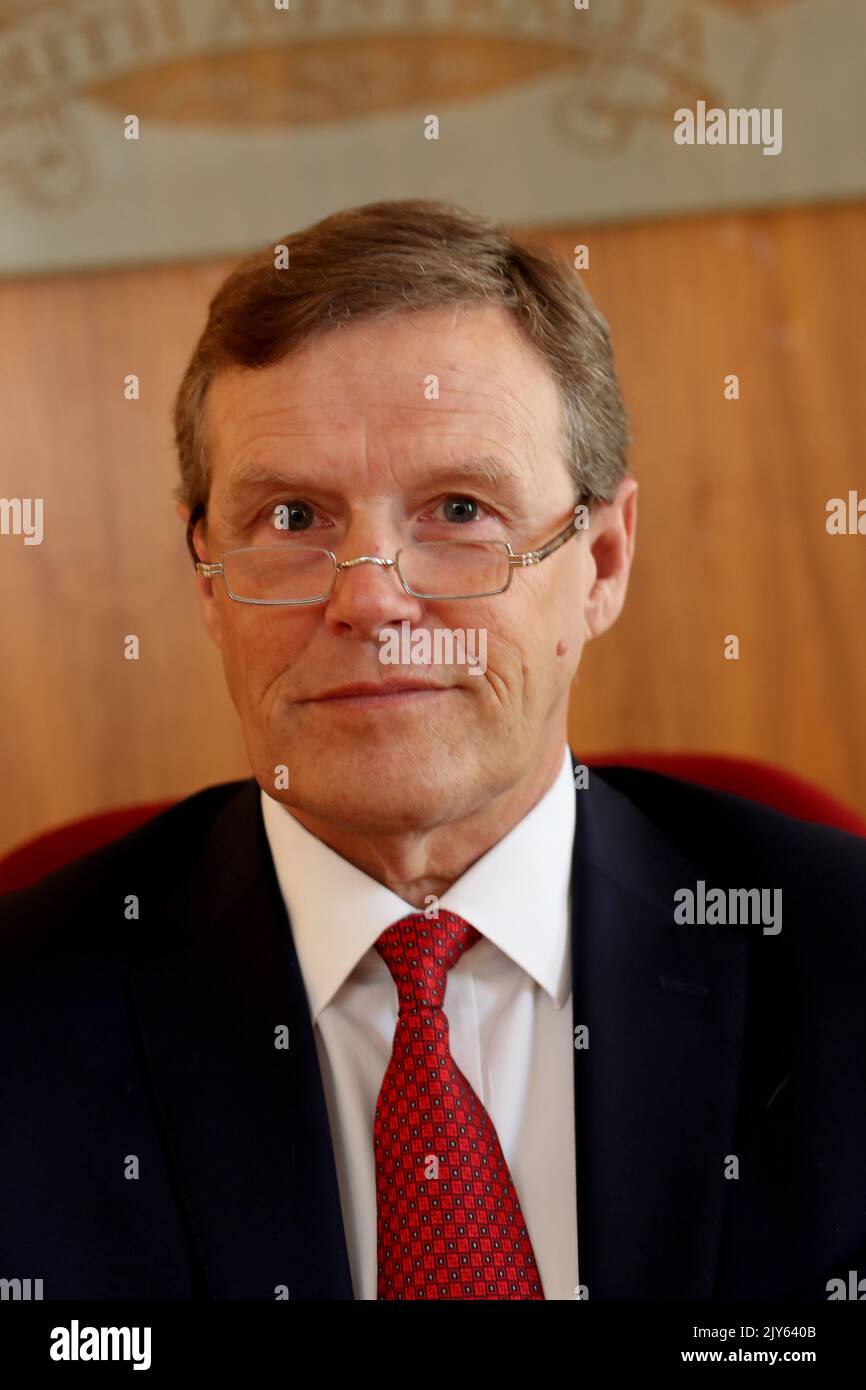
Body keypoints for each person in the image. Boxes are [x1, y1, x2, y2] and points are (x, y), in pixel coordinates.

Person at [1, 199, 864, 1302]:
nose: (369, 598)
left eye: (458, 506)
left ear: (599, 562)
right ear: (206, 581)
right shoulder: (23, 1016)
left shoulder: (840, 961)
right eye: (290, 518)